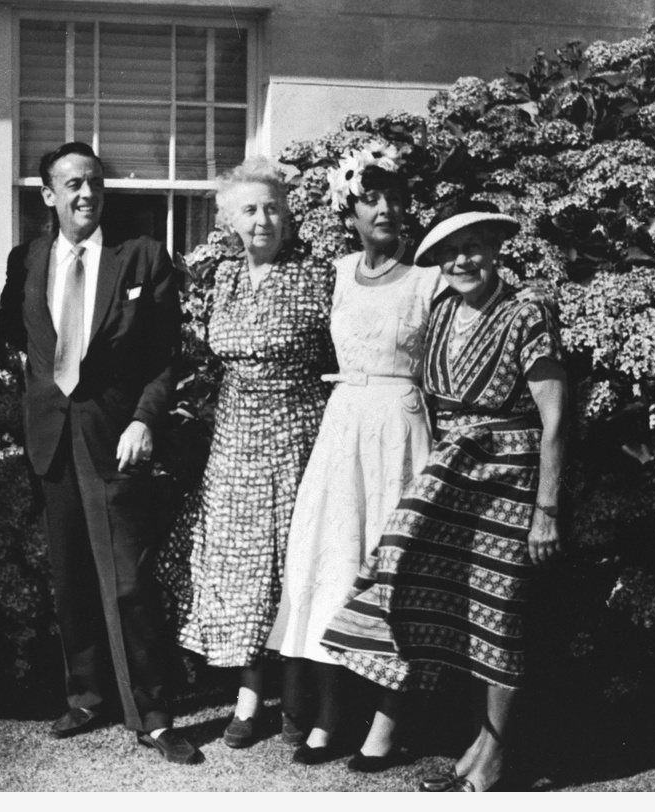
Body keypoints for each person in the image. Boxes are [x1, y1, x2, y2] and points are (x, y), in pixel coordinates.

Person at [321, 201, 568, 792]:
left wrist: (547, 510)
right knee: (416, 579)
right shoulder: (442, 310)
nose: (463, 260)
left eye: (476, 246)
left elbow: (556, 419)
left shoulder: (525, 310)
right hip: (452, 474)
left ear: (496, 250)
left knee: (500, 613)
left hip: (510, 475)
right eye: (449, 253)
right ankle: (477, 740)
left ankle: (494, 757)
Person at [0, 141, 200, 765]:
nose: (86, 194)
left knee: (127, 579)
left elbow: (168, 357)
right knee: (71, 578)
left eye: (94, 183)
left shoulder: (140, 256)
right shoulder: (27, 258)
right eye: (72, 185)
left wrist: (144, 419)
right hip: (51, 436)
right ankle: (87, 695)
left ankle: (155, 713)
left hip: (114, 437)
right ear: (48, 196)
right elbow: (15, 335)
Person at [264, 142, 440, 766]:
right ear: (349, 212)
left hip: (400, 426)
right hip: (342, 431)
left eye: (394, 197)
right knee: (333, 561)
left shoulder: (429, 279)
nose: (385, 209)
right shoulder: (336, 272)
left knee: (391, 571)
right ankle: (331, 714)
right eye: (370, 199)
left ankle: (388, 721)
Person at [155, 157, 331, 749]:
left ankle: (301, 701)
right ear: (231, 220)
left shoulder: (315, 276)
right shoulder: (224, 278)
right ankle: (249, 698)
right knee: (242, 567)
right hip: (234, 438)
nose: (263, 220)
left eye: (273, 208)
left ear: (290, 217)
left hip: (296, 433)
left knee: (295, 562)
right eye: (251, 210)